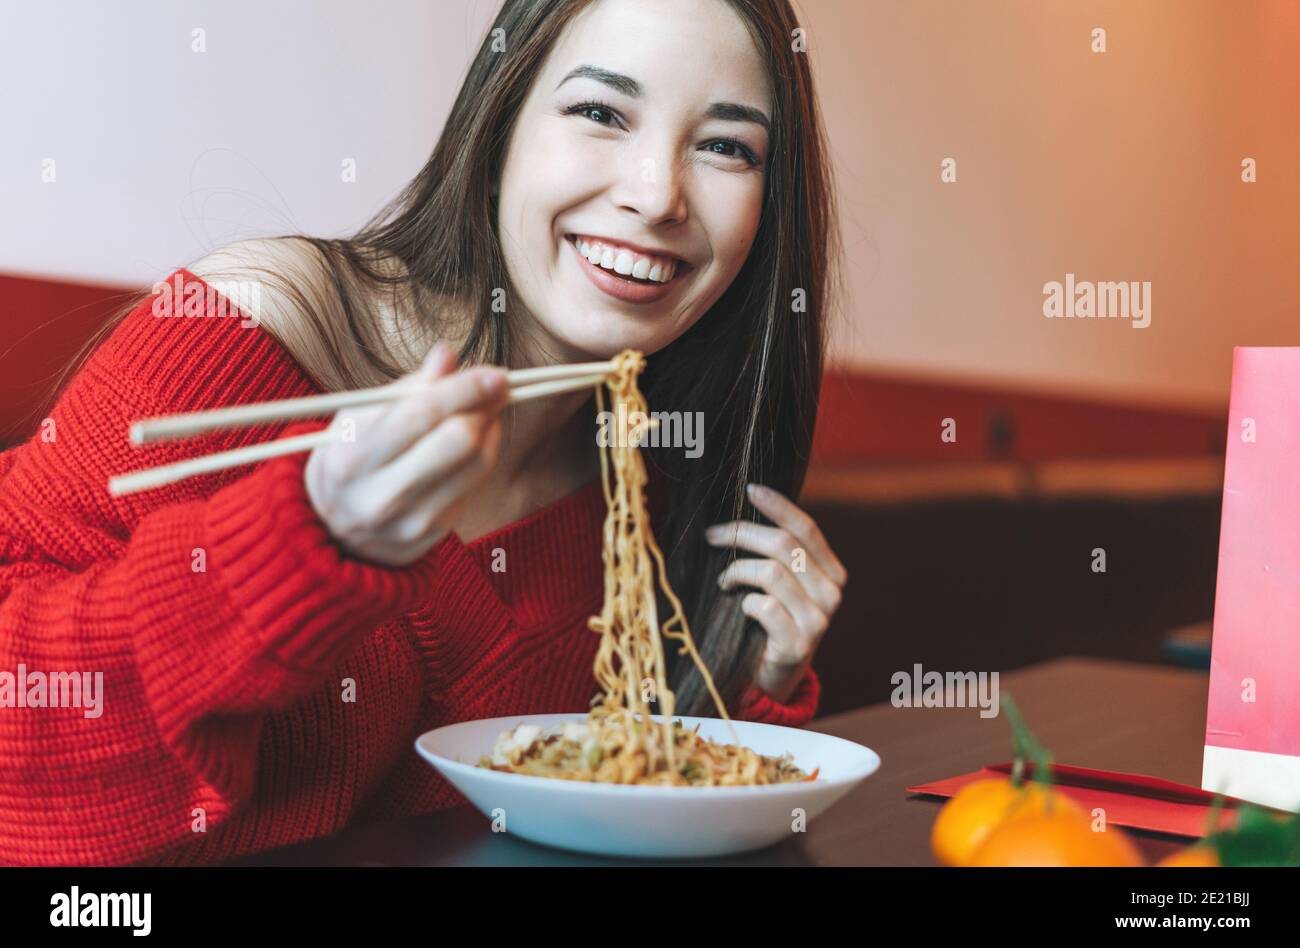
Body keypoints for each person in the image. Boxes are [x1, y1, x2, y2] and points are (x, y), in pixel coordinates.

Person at [0, 0, 846, 864]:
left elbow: (621, 814)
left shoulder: (648, 491)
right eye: (600, 112)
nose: (657, 195)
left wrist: (758, 684)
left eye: (726, 147)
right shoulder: (268, 324)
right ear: (501, 119)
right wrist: (301, 545)